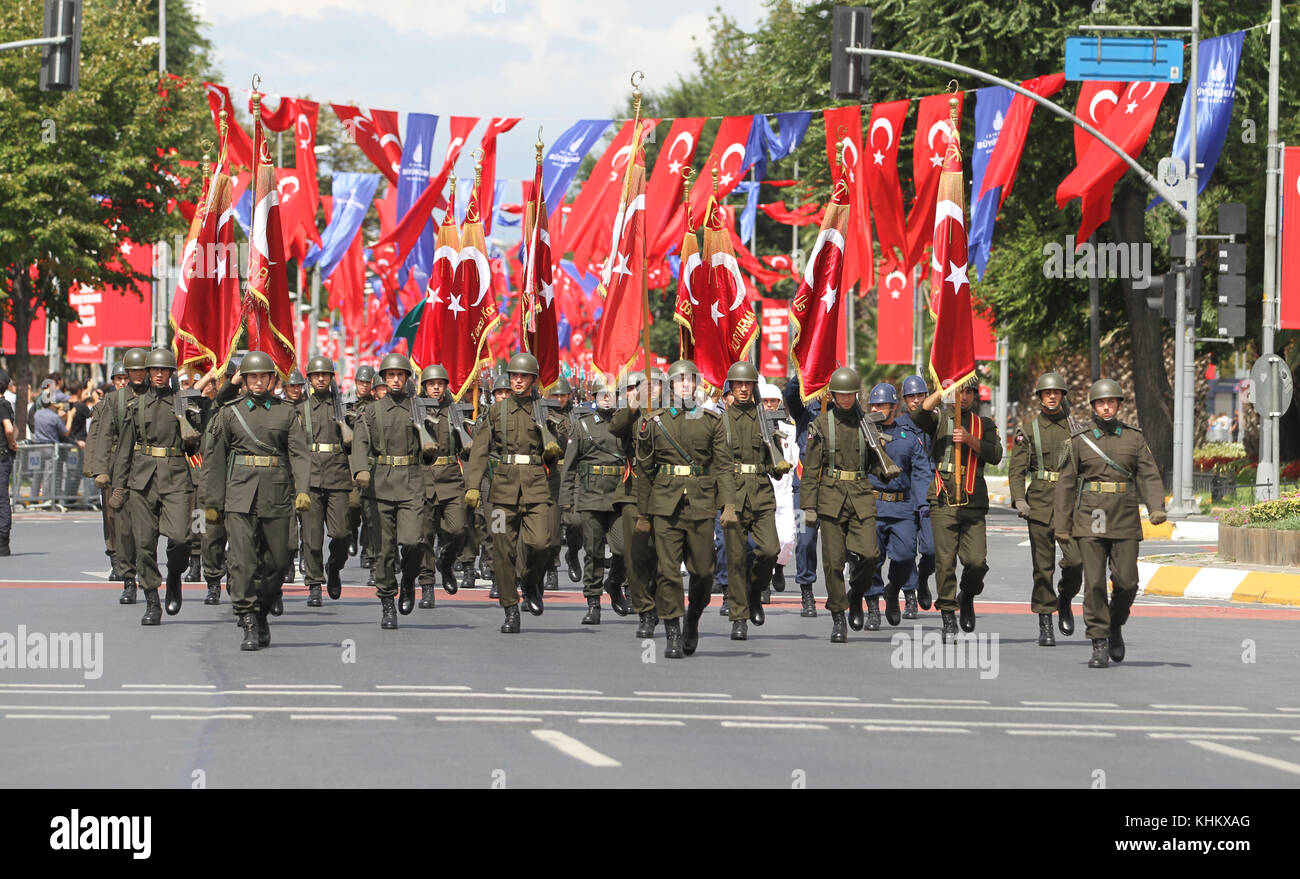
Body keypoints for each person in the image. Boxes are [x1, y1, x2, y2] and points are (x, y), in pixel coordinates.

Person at [203, 351, 311, 650]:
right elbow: (214, 459)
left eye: (264, 376)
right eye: (253, 376)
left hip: (277, 492)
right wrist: (211, 502)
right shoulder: (229, 413)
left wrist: (302, 488)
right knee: (242, 561)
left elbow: (300, 454)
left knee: (281, 557)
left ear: (273, 380)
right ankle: (248, 617)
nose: (259, 381)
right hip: (239, 495)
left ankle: (263, 608)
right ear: (245, 381)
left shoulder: (287, 412)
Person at [1055, 379, 1166, 668]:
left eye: (1111, 402)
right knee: (1093, 585)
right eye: (1101, 402)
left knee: (1128, 582)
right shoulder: (1080, 439)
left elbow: (1149, 475)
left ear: (1119, 405)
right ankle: (1099, 642)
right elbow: (1066, 484)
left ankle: (1115, 624)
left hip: (1124, 516)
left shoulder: (1134, 439)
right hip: (1089, 517)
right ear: (1093, 406)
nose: (1106, 406)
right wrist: (1062, 525)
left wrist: (1156, 508)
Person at [635, 359, 735, 658]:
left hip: (701, 503)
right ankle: (673, 632)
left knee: (704, 571)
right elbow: (645, 471)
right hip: (665, 505)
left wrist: (728, 504)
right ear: (671, 386)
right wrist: (643, 513)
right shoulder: (656, 422)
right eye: (680, 381)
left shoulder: (711, 421)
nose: (686, 385)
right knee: (668, 572)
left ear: (697, 385)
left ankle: (693, 618)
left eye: (691, 380)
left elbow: (724, 466)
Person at [464, 353, 566, 633]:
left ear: (533, 379)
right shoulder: (496, 412)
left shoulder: (544, 410)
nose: (517, 381)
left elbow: (565, 447)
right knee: (501, 550)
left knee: (542, 543)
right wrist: (473, 486)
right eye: (514, 376)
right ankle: (510, 608)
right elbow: (479, 451)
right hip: (502, 492)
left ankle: (532, 582)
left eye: (523, 376)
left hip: (536, 487)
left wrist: (555, 440)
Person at [800, 367, 900, 643]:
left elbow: (874, 461)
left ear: (857, 394)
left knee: (869, 555)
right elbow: (811, 470)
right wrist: (808, 506)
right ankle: (838, 617)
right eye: (841, 395)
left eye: (850, 394)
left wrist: (886, 470)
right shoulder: (821, 425)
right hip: (831, 497)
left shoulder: (867, 423)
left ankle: (856, 595)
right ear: (832, 395)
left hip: (860, 494)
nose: (846, 399)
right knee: (833, 563)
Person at [111, 348, 200, 625]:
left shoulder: (184, 403)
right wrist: (118, 487)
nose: (159, 374)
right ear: (147, 373)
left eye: (164, 370)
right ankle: (152, 601)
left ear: (172, 373)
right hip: (142, 479)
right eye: (154, 370)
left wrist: (186, 426)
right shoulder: (134, 406)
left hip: (175, 476)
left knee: (182, 538)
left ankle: (174, 575)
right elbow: (125, 448)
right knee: (144, 544)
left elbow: (196, 447)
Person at [912, 375, 1002, 643]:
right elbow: (919, 416)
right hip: (943, 498)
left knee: (976, 562)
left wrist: (970, 440)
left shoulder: (983, 424)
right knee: (945, 560)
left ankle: (968, 595)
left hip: (972, 500)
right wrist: (942, 391)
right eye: (960, 391)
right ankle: (948, 614)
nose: (964, 396)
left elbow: (995, 455)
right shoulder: (940, 419)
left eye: (969, 392)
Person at [350, 353, 427, 629]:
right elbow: (359, 442)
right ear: (383, 378)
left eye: (400, 374)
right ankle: (387, 602)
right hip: (379, 484)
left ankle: (408, 580)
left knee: (414, 541)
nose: (396, 379)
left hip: (411, 483)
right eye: (391, 375)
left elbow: (436, 444)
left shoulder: (419, 408)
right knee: (382, 551)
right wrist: (359, 469)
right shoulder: (371, 411)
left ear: (407, 378)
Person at [1008, 372, 1084, 646]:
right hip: (1039, 504)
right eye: (1047, 393)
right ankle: (1045, 620)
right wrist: (1019, 499)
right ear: (1039, 397)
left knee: (1076, 563)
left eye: (1057, 392)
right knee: (1043, 568)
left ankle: (1064, 598)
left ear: (1063, 396)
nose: (1052, 396)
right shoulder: (1028, 431)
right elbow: (1016, 471)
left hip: (1070, 505)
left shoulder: (1076, 429)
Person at [717, 361, 788, 640]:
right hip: (732, 494)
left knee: (770, 550)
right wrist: (723, 502)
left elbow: (775, 461)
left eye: (748, 384)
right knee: (735, 559)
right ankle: (739, 617)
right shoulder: (720, 422)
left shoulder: (766, 419)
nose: (744, 389)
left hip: (760, 493)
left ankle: (755, 592)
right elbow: (717, 464)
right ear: (731, 388)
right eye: (739, 384)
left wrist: (779, 466)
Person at [559, 377, 632, 624]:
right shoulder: (583, 426)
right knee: (593, 552)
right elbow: (568, 467)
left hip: (619, 496)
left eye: (611, 395)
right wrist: (566, 500)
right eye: (602, 394)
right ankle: (593, 602)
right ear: (595, 398)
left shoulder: (626, 424)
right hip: (591, 495)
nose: (607, 399)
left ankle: (614, 583)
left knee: (624, 548)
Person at [865, 382, 933, 627]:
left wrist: (923, 503)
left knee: (905, 555)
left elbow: (921, 472)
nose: (876, 408)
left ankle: (892, 590)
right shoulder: (862, 436)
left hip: (902, 507)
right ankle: (872, 606)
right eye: (873, 404)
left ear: (893, 407)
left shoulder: (908, 438)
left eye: (881, 404)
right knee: (871, 559)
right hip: (871, 507)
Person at [92, 349, 148, 601]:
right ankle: (128, 579)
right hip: (121, 471)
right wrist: (101, 470)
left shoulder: (160, 396)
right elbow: (102, 436)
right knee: (123, 529)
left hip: (152, 469)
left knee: (153, 530)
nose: (132, 377)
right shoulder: (113, 401)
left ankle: (158, 572)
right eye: (129, 373)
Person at [297, 357, 353, 608]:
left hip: (338, 475)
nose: (321, 378)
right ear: (308, 379)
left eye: (325, 374)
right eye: (316, 375)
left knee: (341, 533)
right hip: (310, 476)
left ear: (332, 378)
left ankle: (334, 566)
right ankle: (315, 584)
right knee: (311, 536)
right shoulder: (300, 410)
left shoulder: (344, 407)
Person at [610, 370, 661, 638]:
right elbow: (615, 427)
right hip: (633, 491)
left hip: (664, 492)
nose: (636, 392)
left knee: (659, 555)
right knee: (634, 554)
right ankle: (645, 610)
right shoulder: (628, 416)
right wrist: (634, 403)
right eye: (630, 389)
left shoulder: (667, 413)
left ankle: (652, 596)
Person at [415, 364, 469, 608]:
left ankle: (446, 562)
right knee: (424, 536)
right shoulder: (413, 411)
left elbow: (466, 449)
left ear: (446, 386)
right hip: (423, 479)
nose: (436, 387)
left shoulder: (454, 412)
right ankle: (427, 585)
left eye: (440, 383)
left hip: (450, 478)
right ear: (424, 386)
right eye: (431, 383)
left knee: (458, 529)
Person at [783, 374, 822, 618]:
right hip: (805, 485)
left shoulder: (850, 412)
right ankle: (806, 590)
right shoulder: (807, 413)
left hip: (836, 486)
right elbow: (789, 394)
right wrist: (807, 369)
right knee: (805, 540)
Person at [896, 374, 935, 610]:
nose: (916, 400)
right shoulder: (898, 426)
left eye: (920, 395)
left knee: (931, 549)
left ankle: (923, 578)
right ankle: (909, 594)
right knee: (907, 549)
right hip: (905, 494)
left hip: (931, 494)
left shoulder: (936, 423)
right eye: (911, 396)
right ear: (904, 400)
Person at [759, 381, 798, 600]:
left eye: (773, 401)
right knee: (766, 542)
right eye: (765, 401)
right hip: (762, 490)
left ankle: (780, 566)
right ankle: (764, 583)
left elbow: (795, 459)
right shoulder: (755, 428)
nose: (769, 405)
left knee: (787, 538)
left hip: (784, 492)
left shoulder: (789, 430)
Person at [0, 369, 15, 556]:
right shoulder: (6, 405)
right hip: (4, 453)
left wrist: (11, 441)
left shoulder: (2, 405)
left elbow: (9, 428)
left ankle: (3, 540)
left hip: (2, 456)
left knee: (2, 499)